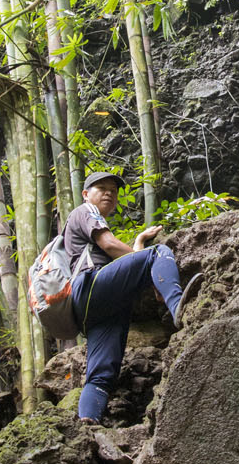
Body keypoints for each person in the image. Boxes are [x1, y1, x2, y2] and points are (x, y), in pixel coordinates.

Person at [64, 170, 201, 424]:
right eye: (101, 188)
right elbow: (110, 246)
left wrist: (138, 242)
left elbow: (124, 260)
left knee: (102, 375)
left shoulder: (84, 224)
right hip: (91, 284)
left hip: (92, 306)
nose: (108, 193)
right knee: (158, 252)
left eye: (113, 191)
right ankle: (180, 309)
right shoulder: (85, 211)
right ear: (85, 194)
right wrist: (151, 265)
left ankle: (87, 424)